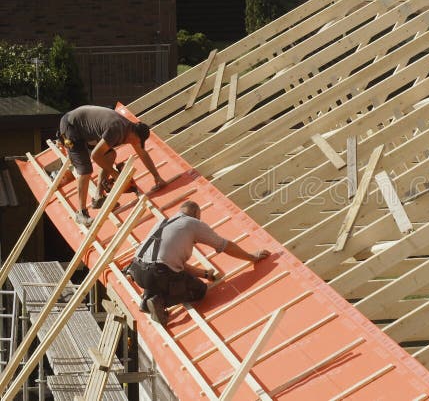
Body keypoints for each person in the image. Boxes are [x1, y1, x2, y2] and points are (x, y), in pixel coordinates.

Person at [128, 200, 270, 325]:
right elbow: (225, 246)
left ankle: (147, 298)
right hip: (157, 273)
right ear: (196, 215)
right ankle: (160, 301)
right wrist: (251, 257)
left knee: (163, 274)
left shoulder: (163, 222)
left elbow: (175, 264)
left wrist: (205, 274)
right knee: (199, 290)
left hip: (136, 270)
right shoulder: (193, 223)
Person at [57, 105, 167, 225]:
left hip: (85, 129)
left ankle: (98, 195)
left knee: (110, 155)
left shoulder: (130, 130)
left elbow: (142, 153)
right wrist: (115, 174)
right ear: (135, 135)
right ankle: (81, 213)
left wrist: (157, 176)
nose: (137, 144)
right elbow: (95, 155)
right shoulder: (116, 129)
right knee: (85, 170)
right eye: (138, 141)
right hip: (71, 127)